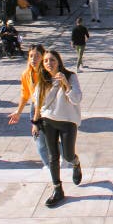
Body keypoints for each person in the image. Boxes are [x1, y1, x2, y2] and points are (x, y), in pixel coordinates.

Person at [32, 50, 83, 208]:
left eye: (52, 60)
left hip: (67, 121)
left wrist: (66, 84)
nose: (49, 63)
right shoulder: (42, 79)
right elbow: (38, 103)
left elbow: (76, 99)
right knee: (52, 156)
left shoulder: (70, 76)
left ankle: (76, 163)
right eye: (46, 61)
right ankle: (57, 189)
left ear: (59, 62)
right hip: (48, 121)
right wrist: (35, 122)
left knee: (67, 155)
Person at [8, 45, 50, 166]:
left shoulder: (47, 73)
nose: (33, 59)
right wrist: (18, 111)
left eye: (37, 56)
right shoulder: (26, 74)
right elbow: (25, 94)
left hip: (48, 108)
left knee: (50, 138)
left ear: (43, 57)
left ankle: (66, 158)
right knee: (39, 139)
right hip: (35, 107)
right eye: (31, 56)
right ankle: (48, 165)